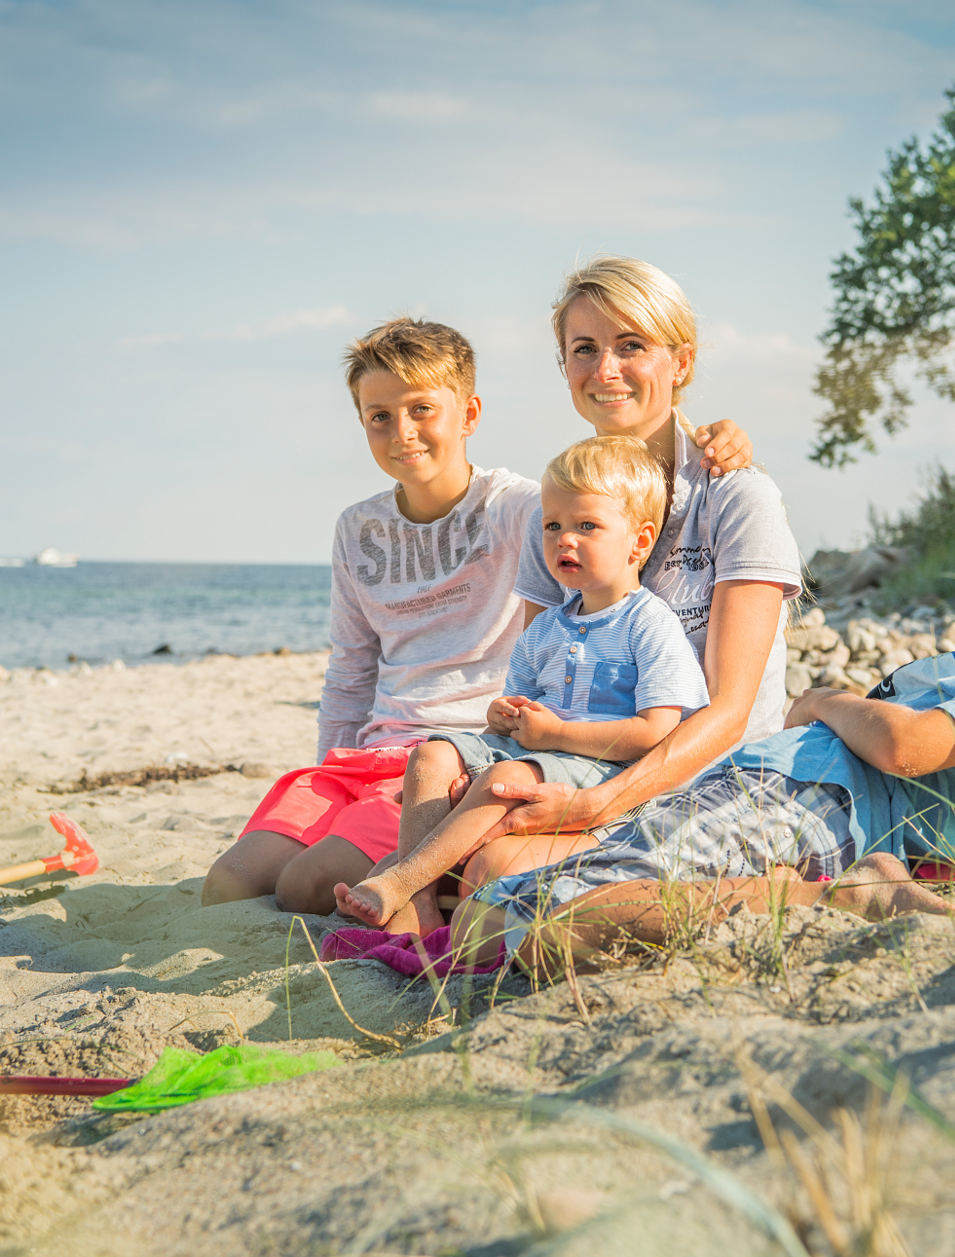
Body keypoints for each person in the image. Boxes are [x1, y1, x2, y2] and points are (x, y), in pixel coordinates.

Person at [449, 426, 955, 972]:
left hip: (811, 796)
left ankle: (839, 898)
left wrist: (825, 698)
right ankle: (835, 888)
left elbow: (908, 746)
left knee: (535, 921)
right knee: (488, 906)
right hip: (787, 784)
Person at [200, 317, 750, 912]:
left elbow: (607, 489)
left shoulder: (521, 507)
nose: (402, 432)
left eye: (421, 410)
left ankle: (413, 895)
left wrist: (713, 438)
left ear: (469, 414)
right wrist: (330, 765)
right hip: (365, 758)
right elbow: (352, 668)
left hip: (455, 752)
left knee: (303, 885)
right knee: (230, 884)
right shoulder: (356, 528)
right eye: (378, 416)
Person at [396, 257, 805, 907]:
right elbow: (542, 677)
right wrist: (516, 733)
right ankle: (407, 916)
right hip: (583, 758)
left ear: (682, 361)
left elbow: (728, 715)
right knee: (426, 793)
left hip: (711, 778)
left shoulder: (736, 496)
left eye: (632, 345)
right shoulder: (556, 516)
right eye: (584, 349)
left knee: (494, 873)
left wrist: (591, 804)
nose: (606, 369)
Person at [333, 436, 709, 928]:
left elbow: (655, 731)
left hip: (600, 768)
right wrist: (500, 721)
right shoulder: (545, 627)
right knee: (432, 754)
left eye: (586, 526)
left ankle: (402, 880)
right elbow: (518, 716)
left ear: (639, 542)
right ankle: (421, 899)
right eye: (553, 525)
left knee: (503, 781)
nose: (563, 539)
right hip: (537, 756)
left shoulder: (648, 623)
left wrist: (555, 735)